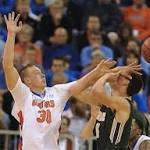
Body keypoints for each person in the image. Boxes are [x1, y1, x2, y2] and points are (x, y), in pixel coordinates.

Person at [2, 12, 115, 150]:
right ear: (27, 81)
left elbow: (79, 84)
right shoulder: (23, 95)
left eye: (42, 73)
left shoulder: (57, 91)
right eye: (37, 74)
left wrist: (96, 71)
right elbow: (8, 66)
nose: (42, 75)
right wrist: (12, 35)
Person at [79, 66, 143, 149]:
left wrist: (107, 75)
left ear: (128, 83)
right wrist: (93, 118)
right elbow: (84, 136)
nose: (116, 75)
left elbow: (95, 90)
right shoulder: (105, 105)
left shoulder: (124, 104)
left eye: (121, 75)